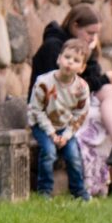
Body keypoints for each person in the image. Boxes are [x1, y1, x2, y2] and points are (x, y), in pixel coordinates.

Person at [29, 5, 112, 197]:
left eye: (96, 34)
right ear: (75, 25)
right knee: (104, 118)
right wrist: (104, 78)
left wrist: (92, 61)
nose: (93, 38)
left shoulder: (83, 46)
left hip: (72, 104)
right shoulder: (54, 47)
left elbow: (91, 81)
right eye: (90, 33)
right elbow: (65, 90)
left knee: (110, 94)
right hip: (54, 110)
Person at [27, 38, 92, 201]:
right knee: (49, 152)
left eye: (76, 60)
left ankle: (79, 191)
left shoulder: (82, 88)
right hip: (41, 124)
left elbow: (80, 114)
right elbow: (36, 110)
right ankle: (44, 191)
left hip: (64, 126)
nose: (70, 62)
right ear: (59, 59)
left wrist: (66, 136)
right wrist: (51, 134)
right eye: (67, 57)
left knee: (73, 155)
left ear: (82, 68)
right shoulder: (43, 82)